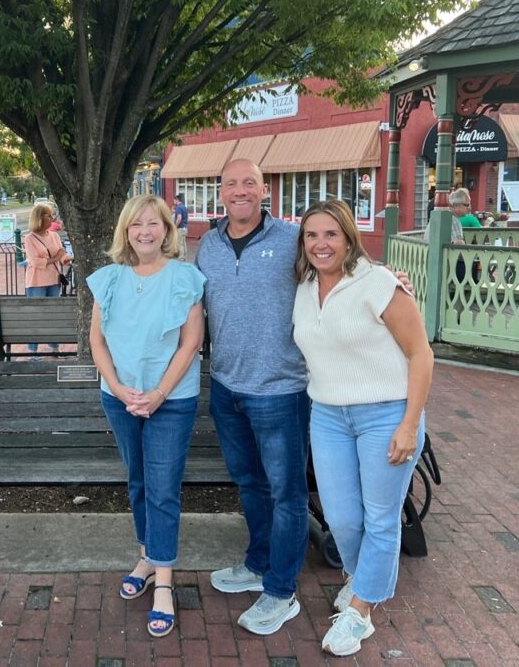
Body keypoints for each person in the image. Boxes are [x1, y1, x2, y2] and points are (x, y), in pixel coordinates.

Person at [292, 200, 433, 656]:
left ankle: (361, 611)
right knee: (341, 517)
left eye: (330, 234)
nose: (321, 244)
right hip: (328, 415)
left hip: (385, 414)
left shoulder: (378, 283)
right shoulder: (303, 286)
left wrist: (410, 424)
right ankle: (362, 579)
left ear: (349, 237)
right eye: (311, 235)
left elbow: (421, 354)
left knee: (380, 517)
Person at [194, 158, 311, 636]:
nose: (240, 190)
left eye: (249, 183)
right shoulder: (209, 245)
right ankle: (259, 563)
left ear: (264, 191)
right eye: (231, 184)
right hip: (226, 387)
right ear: (221, 192)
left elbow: (339, 269)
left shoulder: (292, 239)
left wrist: (389, 280)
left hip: (280, 390)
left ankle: (282, 591)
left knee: (287, 493)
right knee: (249, 484)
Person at [87, 195, 205, 638]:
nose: (145, 232)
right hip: (120, 399)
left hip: (170, 401)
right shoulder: (109, 278)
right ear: (126, 231)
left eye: (153, 223)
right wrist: (119, 388)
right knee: (138, 481)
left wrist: (157, 394)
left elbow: (191, 343)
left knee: (162, 489)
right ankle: (146, 557)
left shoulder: (185, 277)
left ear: (167, 230)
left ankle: (164, 582)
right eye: (136, 224)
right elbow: (96, 341)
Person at [22, 203, 72, 354]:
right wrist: (56, 257)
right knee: (36, 316)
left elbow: (62, 255)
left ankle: (54, 347)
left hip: (54, 280)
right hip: (36, 282)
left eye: (52, 215)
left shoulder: (54, 236)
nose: (52, 218)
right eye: (49, 216)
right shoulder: (29, 238)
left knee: (53, 315)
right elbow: (36, 262)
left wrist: (68, 258)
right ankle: (33, 351)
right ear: (39, 218)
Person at [172, 193, 189, 261]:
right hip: (185, 228)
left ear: (177, 200)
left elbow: (179, 218)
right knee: (184, 243)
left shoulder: (178, 208)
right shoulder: (184, 207)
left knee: (180, 243)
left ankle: (181, 258)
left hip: (180, 228)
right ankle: (185, 257)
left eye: (174, 200)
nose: (173, 201)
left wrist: (175, 226)